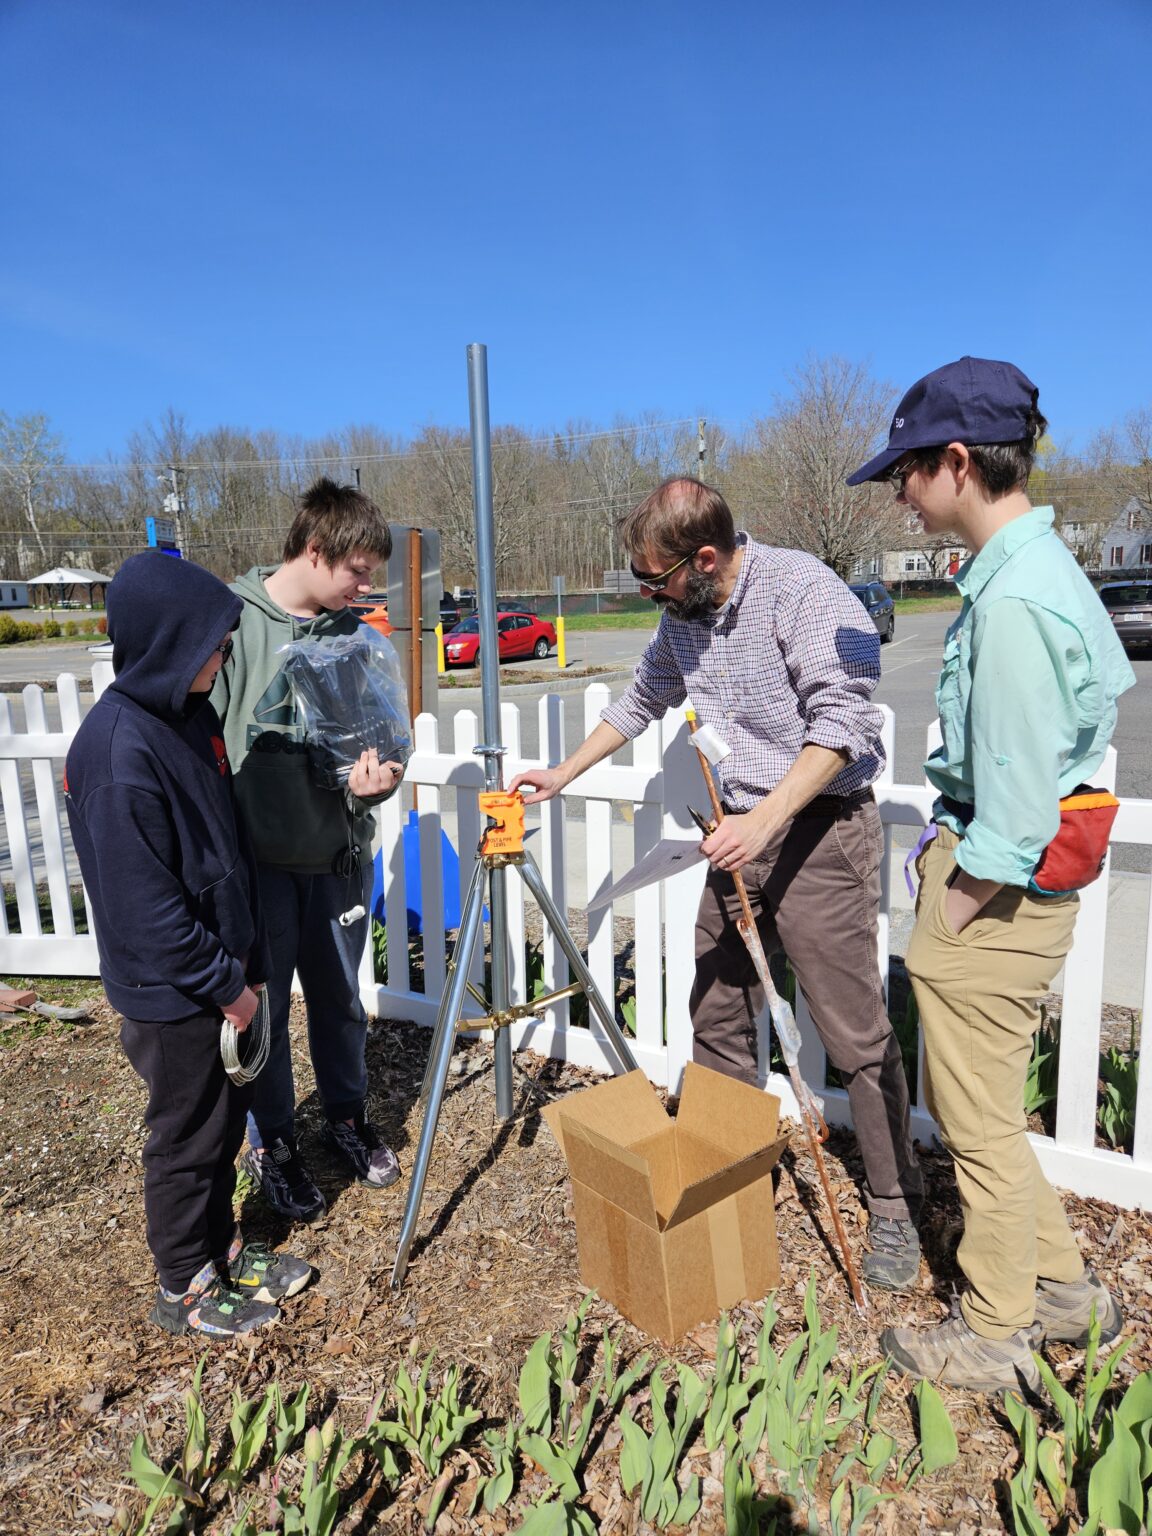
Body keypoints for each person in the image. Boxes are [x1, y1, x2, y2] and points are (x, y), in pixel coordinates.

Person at [509, 477, 924, 1287]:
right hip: (736, 837)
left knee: (854, 1034)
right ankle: (732, 1171)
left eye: (655, 580)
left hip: (816, 833)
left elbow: (845, 724)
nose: (647, 594)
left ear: (705, 559)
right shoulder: (682, 616)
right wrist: (562, 772)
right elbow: (643, 699)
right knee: (719, 1011)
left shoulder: (804, 590)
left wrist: (764, 820)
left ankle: (896, 1205)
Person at [846, 356, 1133, 1392]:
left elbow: (1014, 811)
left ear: (959, 461)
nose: (898, 490)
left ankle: (996, 1330)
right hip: (1015, 888)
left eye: (907, 470)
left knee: (976, 1131)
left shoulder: (1013, 604)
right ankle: (1064, 1293)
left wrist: (956, 898)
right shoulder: (1040, 576)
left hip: (996, 894)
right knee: (993, 1123)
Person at [65, 553, 312, 1337]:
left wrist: (250, 958)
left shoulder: (188, 715)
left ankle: (225, 1248)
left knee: (222, 1120)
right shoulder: (115, 754)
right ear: (167, 640)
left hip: (222, 972)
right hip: (175, 994)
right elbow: (147, 915)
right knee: (187, 1135)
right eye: (213, 643)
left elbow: (221, 844)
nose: (225, 656)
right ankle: (183, 1285)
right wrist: (227, 987)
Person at [212, 477, 404, 1223]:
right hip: (257, 869)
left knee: (340, 1000)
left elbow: (386, 744)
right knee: (262, 1013)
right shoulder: (231, 624)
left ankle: (347, 1117)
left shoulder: (356, 639)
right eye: (358, 571)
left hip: (338, 861)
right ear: (317, 552)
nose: (366, 588)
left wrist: (380, 780)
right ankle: (276, 1141)